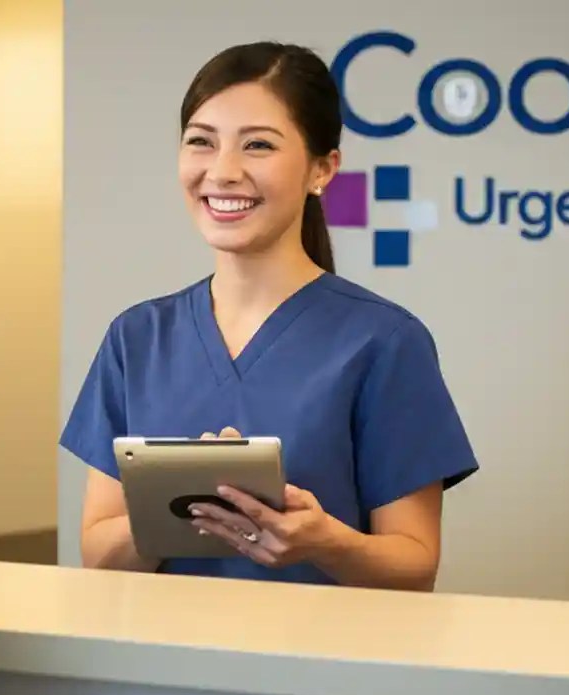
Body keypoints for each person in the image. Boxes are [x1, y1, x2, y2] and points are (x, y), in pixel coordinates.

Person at [60, 42, 479, 591]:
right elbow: (97, 557)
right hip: (158, 666)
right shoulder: (136, 338)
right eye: (200, 143)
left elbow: (415, 565)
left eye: (257, 145)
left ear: (322, 170)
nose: (223, 171)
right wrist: (176, 507)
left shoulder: (384, 341)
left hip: (317, 669)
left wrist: (324, 542)